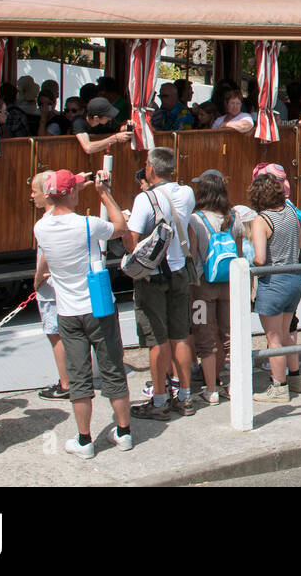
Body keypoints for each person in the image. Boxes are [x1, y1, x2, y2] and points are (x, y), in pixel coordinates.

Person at [34, 169, 133, 458]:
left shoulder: (41, 228)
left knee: (79, 378)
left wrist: (76, 184)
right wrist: (103, 192)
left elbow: (61, 198)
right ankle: (124, 433)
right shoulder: (88, 225)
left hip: (68, 312)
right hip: (98, 307)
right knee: (113, 369)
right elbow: (120, 226)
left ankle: (84, 439)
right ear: (72, 193)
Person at [124, 146, 197, 420]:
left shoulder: (145, 199)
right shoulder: (187, 193)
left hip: (154, 276)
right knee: (180, 335)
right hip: (179, 270)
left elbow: (132, 242)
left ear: (151, 169)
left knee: (158, 339)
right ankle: (186, 396)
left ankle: (159, 399)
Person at [248, 174, 301, 404]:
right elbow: (300, 244)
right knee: (286, 333)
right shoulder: (291, 212)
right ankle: (295, 378)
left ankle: (279, 387)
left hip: (274, 283)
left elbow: (261, 259)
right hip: (294, 279)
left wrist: (249, 259)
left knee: (273, 338)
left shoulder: (261, 220)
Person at [186, 170, 238, 404]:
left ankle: (211, 389)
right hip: (229, 284)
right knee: (229, 336)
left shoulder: (195, 220)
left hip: (201, 286)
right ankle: (232, 384)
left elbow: (193, 254)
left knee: (204, 337)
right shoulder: (233, 217)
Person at [29, 171, 71, 401]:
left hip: (49, 285)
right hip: (64, 283)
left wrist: (36, 280)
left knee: (55, 334)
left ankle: (66, 383)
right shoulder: (65, 217)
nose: (32, 196)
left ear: (46, 193)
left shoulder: (45, 223)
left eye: (35, 191)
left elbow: (44, 257)